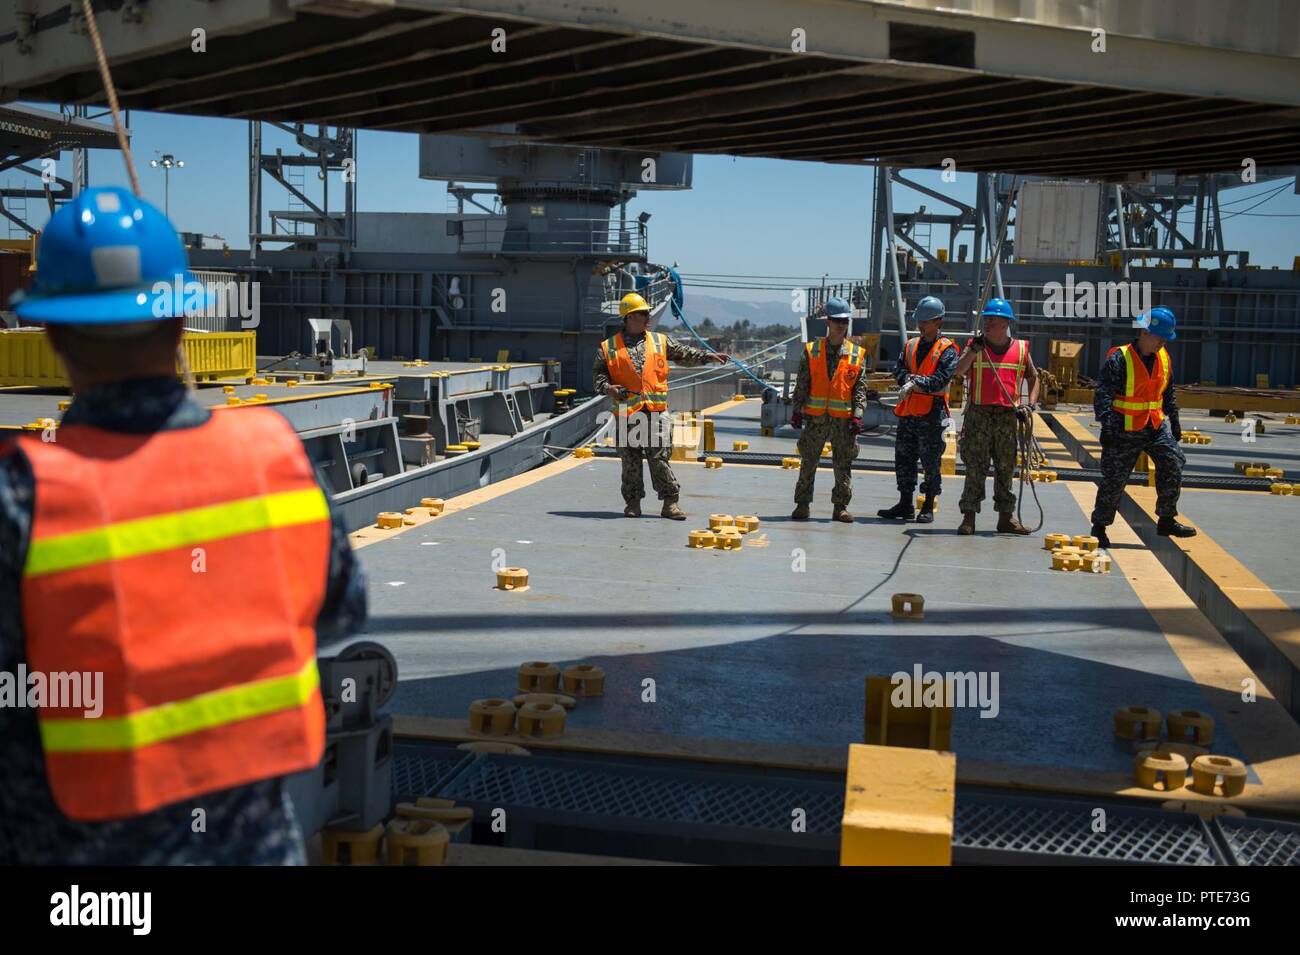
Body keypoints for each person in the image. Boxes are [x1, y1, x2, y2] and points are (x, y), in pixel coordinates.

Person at [0, 187, 366, 865]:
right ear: (180, 324)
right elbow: (343, 609)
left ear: (49, 334)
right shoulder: (272, 455)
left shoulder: (22, 499)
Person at [592, 292, 728, 519]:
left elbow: (685, 353)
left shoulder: (659, 341)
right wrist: (609, 389)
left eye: (647, 314)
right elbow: (598, 379)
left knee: (659, 457)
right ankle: (632, 504)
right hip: (627, 411)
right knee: (630, 460)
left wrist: (708, 356)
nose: (647, 318)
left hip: (655, 411)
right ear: (628, 318)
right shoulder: (608, 348)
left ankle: (670, 503)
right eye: (642, 314)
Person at [1089, 307, 1195, 547]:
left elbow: (1167, 391)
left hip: (1155, 426)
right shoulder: (1120, 358)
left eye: (1165, 339)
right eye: (1159, 337)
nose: (1162, 343)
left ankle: (1166, 518)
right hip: (1123, 429)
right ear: (1145, 332)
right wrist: (1106, 426)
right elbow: (1103, 393)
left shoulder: (1164, 358)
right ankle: (1100, 526)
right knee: (1115, 478)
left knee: (1174, 461)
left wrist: (1174, 418)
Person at [951, 297, 1039, 535]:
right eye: (986, 319)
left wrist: (1030, 404)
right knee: (975, 467)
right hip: (978, 415)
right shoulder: (975, 347)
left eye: (992, 320)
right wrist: (972, 351)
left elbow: (1033, 377)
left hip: (1008, 417)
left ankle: (1006, 518)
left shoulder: (1020, 349)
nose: (987, 323)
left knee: (1005, 467)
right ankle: (969, 517)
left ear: (1005, 323)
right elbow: (958, 371)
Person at [878, 296, 958, 524]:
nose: (921, 325)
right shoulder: (911, 345)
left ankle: (928, 504)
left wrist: (915, 382)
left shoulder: (948, 349)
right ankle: (905, 503)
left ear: (938, 321)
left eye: (926, 321)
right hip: (909, 412)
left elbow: (941, 378)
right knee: (904, 458)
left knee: (931, 461)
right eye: (919, 321)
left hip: (933, 414)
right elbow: (898, 368)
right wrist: (909, 379)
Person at [790, 297, 869, 522]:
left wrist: (857, 416)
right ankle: (802, 505)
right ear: (828, 322)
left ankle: (840, 507)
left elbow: (860, 389)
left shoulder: (857, 354)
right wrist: (797, 410)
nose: (840, 325)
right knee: (808, 461)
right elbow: (802, 383)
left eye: (844, 321)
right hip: (815, 418)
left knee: (843, 463)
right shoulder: (812, 350)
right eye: (836, 320)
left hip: (843, 420)